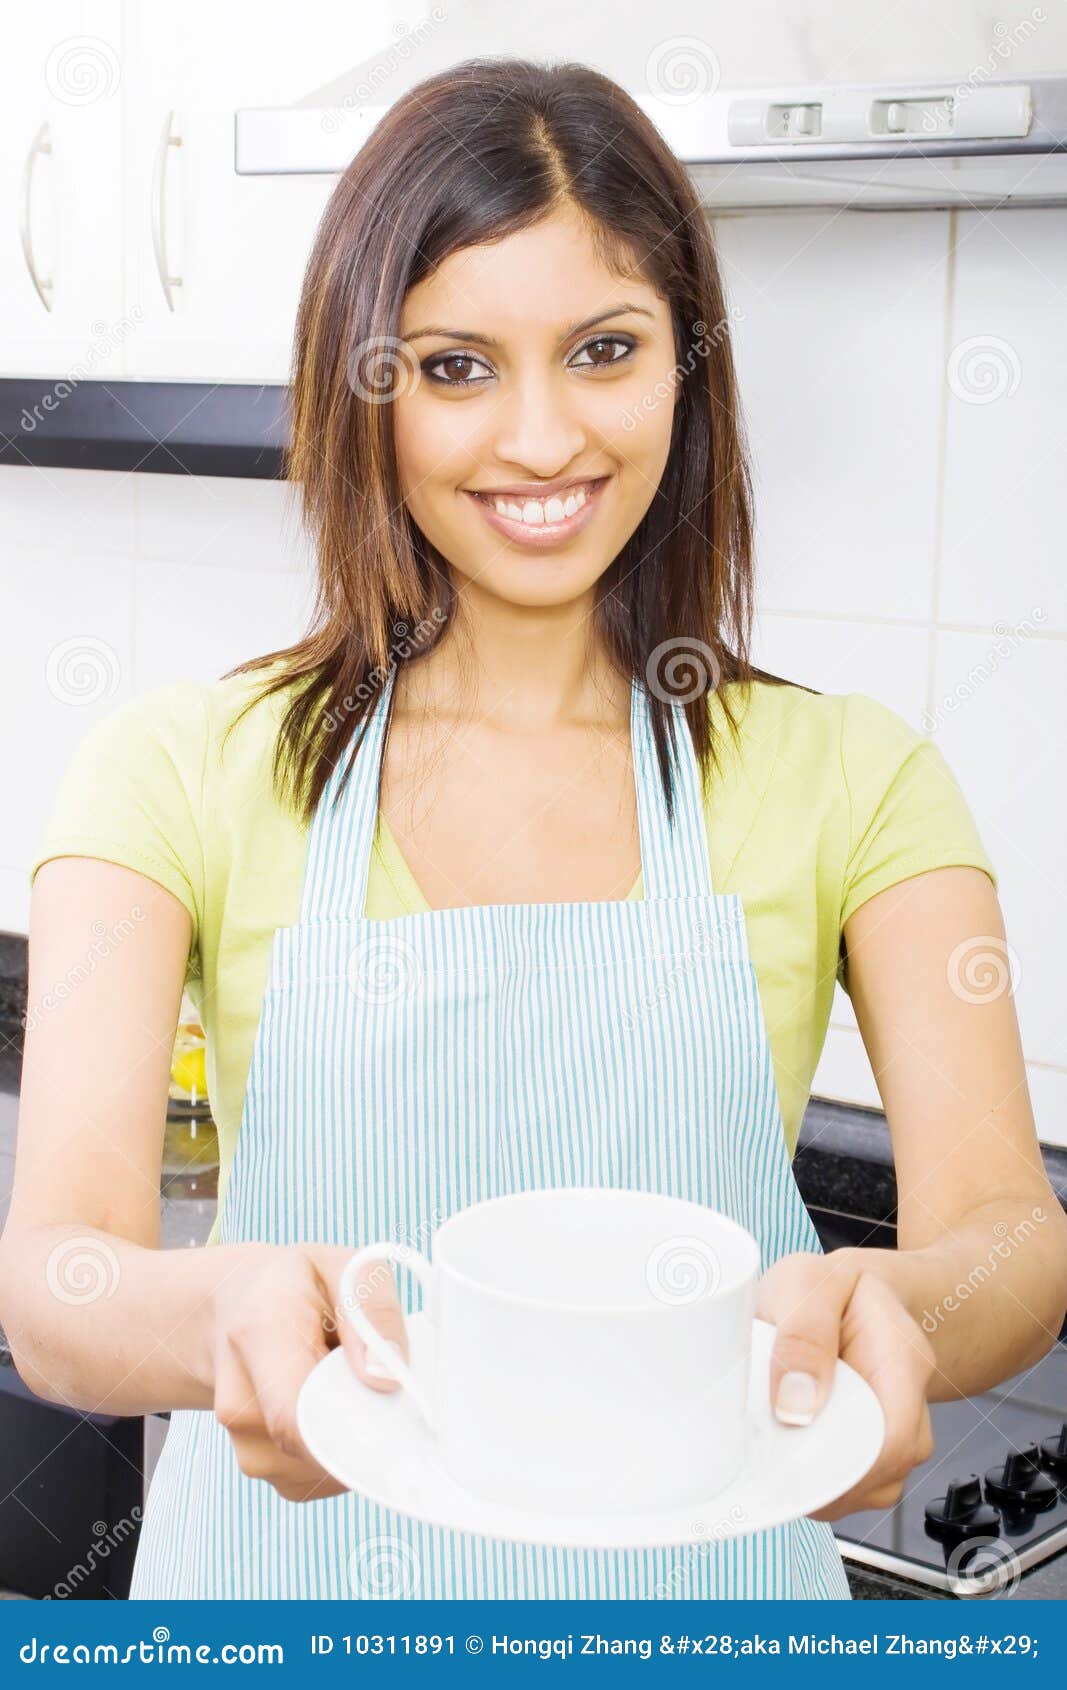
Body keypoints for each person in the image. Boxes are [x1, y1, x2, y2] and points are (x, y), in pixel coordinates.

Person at [2, 57, 1064, 1602]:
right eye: (453, 366)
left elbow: (1009, 1236)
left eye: (605, 349)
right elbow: (57, 1280)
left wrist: (890, 1301)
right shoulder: (177, 771)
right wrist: (216, 1310)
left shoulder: (855, 776)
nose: (542, 436)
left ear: (686, 369)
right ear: (361, 378)